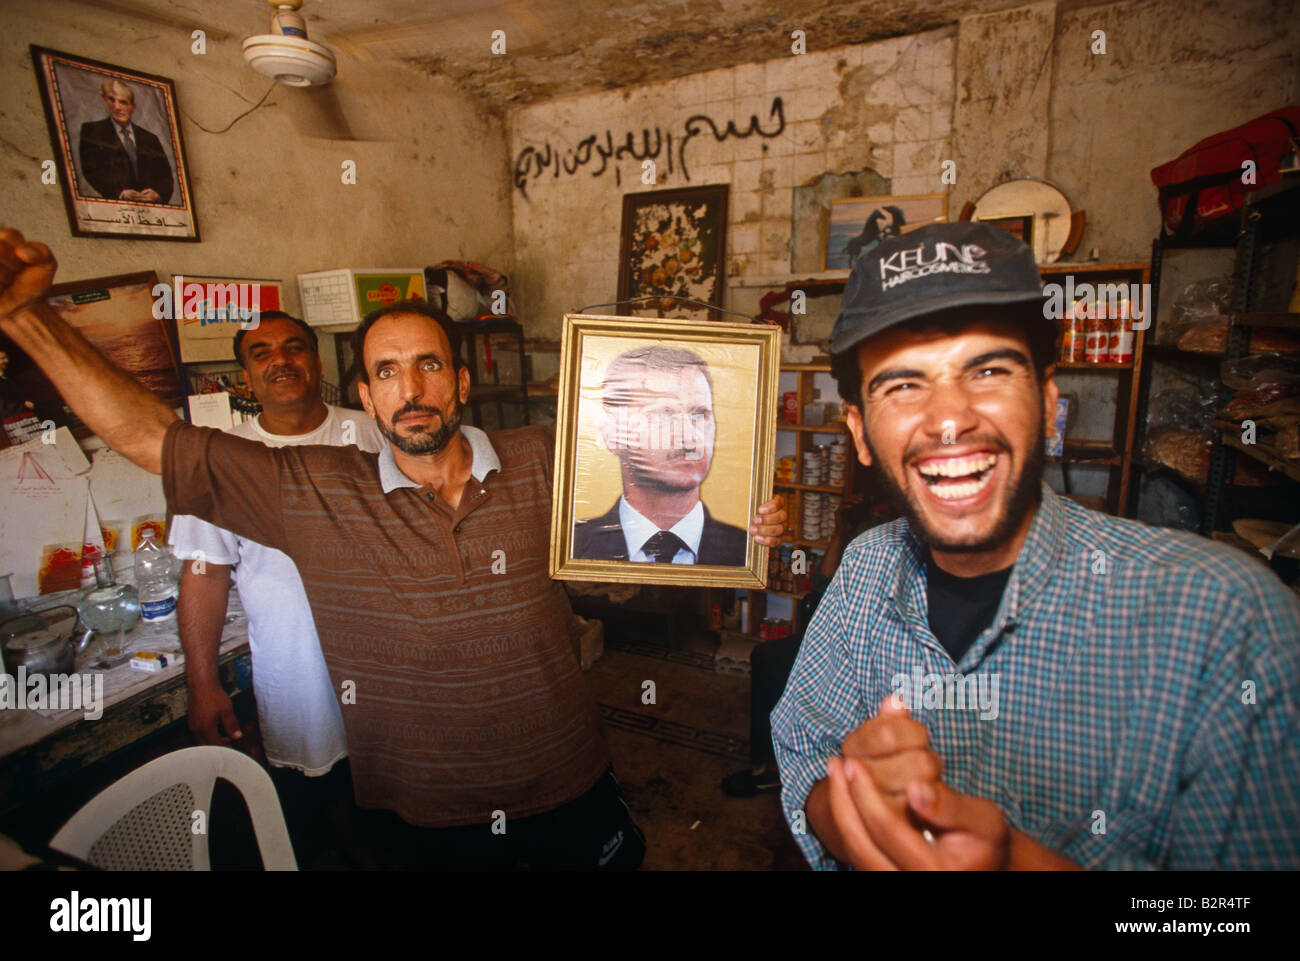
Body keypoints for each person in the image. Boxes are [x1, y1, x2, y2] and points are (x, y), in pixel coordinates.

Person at [0, 228, 788, 869]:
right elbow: (148, 435)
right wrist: (27, 317)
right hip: (424, 811)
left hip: (566, 779)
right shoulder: (312, 489)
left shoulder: (546, 460)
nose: (410, 389)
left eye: (427, 365)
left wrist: (736, 521)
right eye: (386, 372)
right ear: (367, 397)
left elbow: (635, 565)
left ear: (462, 381)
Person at [771, 221, 1300, 870]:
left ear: (1048, 404)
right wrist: (850, 817)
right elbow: (804, 751)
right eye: (903, 383)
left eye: (988, 369)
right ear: (858, 431)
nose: (949, 418)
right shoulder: (866, 567)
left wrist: (1016, 865)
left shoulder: (1227, 619)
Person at [167, 311, 382, 861]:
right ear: (245, 375)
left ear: (317, 360)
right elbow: (205, 575)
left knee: (396, 803)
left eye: (293, 348)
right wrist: (202, 683)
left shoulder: (374, 432)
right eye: (261, 353)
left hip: (392, 664)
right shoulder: (219, 459)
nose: (280, 361)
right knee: (311, 812)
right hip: (298, 673)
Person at [572, 345, 748, 565]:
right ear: (613, 435)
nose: (688, 436)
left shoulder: (746, 550)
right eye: (662, 415)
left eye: (699, 414)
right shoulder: (574, 549)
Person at [78, 79, 174, 204]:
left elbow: (165, 176)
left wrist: (158, 194)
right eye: (112, 100)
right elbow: (91, 171)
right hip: (114, 209)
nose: (117, 107)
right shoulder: (92, 131)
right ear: (105, 100)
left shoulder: (150, 138)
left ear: (132, 107)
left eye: (123, 102)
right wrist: (120, 193)